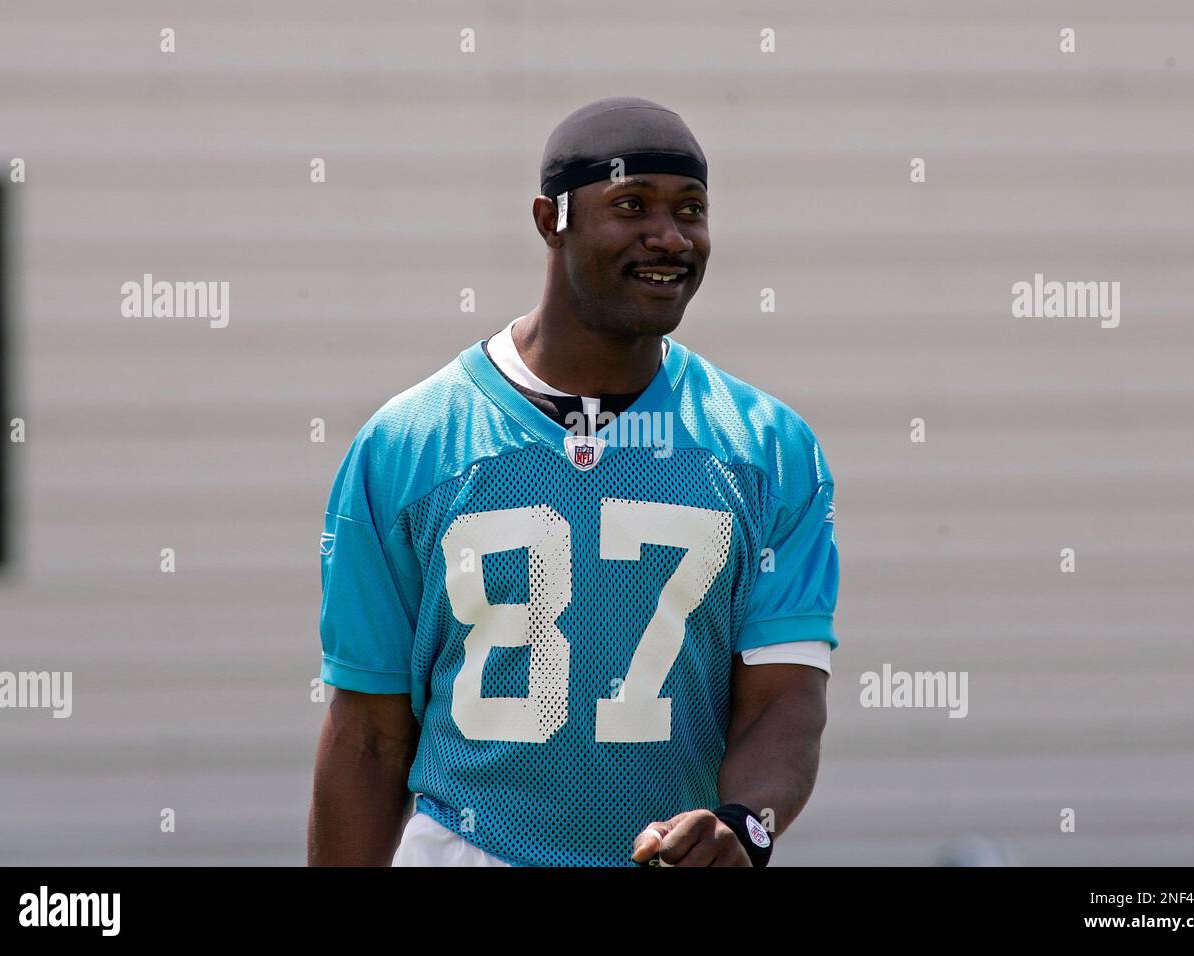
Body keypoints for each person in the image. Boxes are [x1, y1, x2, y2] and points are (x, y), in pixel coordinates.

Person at [307, 97, 839, 867]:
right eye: (633, 205)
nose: (670, 235)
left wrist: (741, 825)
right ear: (549, 219)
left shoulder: (768, 449)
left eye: (691, 209)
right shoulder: (409, 444)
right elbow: (368, 735)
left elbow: (786, 696)